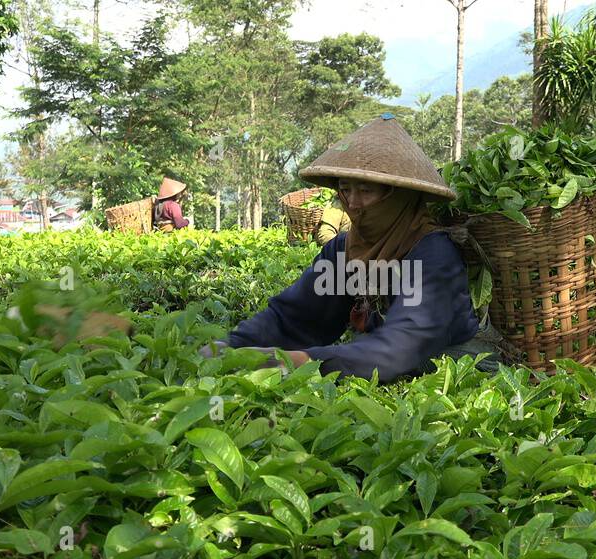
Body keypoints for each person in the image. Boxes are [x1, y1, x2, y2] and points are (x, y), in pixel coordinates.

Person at [204, 114, 502, 382]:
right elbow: (295, 316)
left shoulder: (433, 253)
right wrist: (232, 346)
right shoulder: (345, 250)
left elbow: (402, 347)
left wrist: (306, 360)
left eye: (366, 191)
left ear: (399, 197)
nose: (354, 204)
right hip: (381, 360)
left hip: (451, 369)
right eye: (345, 189)